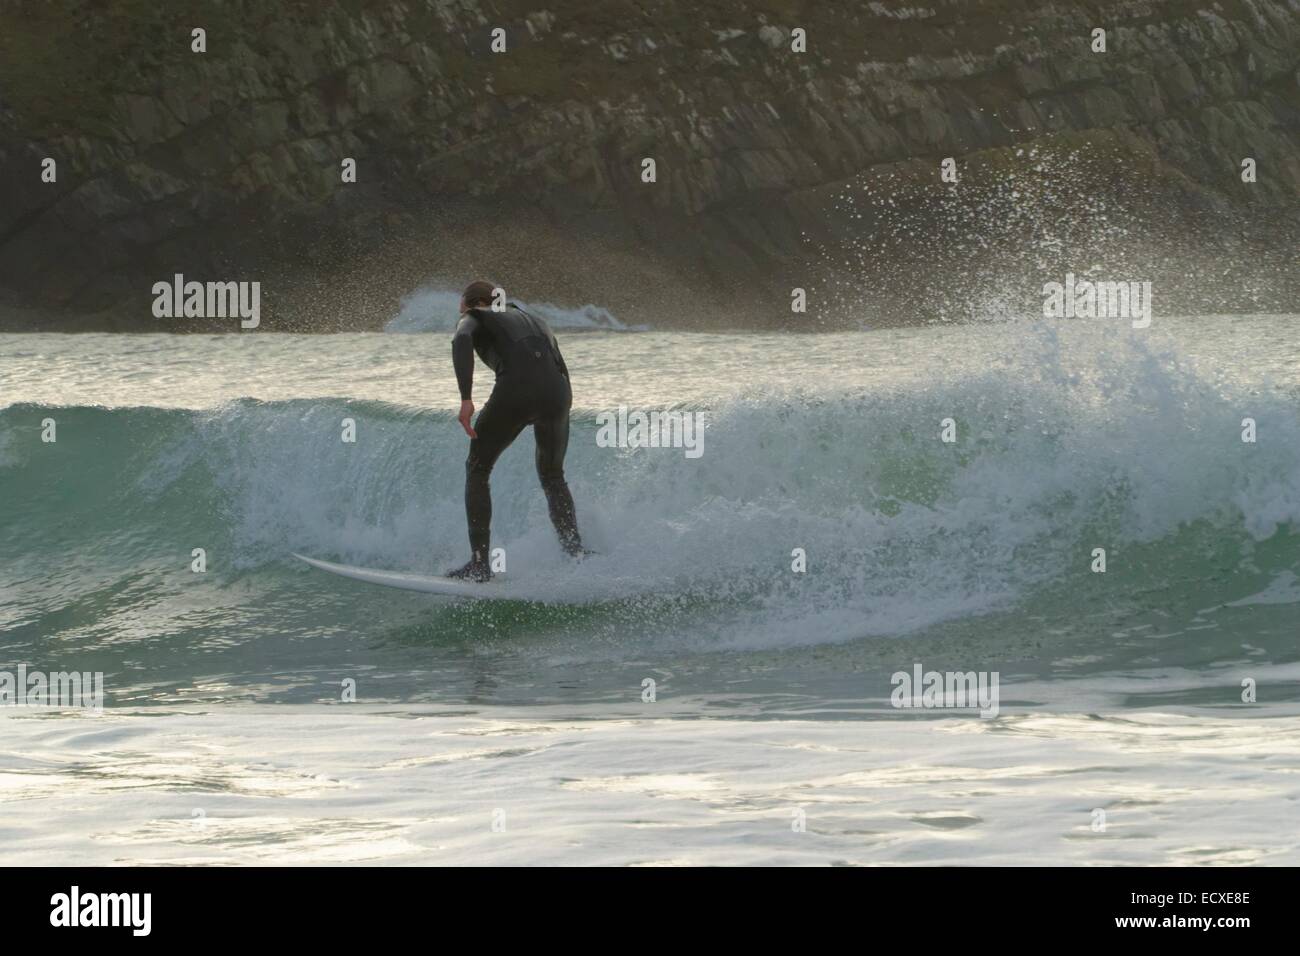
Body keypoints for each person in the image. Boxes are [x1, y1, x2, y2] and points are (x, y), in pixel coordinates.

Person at [446, 280, 586, 581]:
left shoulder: (476, 315)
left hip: (517, 390)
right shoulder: (535, 319)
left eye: (461, 304)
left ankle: (480, 564)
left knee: (478, 468)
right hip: (558, 394)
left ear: (474, 302)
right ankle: (576, 555)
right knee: (552, 475)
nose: (459, 310)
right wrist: (560, 408)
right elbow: (561, 366)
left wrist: (466, 398)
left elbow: (461, 339)